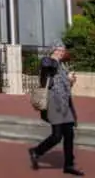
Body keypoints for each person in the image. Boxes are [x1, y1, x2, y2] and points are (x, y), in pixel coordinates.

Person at [28, 43, 84, 175]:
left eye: (63, 50)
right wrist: (54, 58)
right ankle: (36, 151)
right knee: (57, 136)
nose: (62, 52)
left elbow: (64, 85)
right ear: (54, 50)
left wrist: (70, 80)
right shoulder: (48, 63)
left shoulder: (63, 66)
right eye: (60, 50)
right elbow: (46, 64)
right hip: (54, 102)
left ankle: (69, 165)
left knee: (69, 134)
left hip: (65, 102)